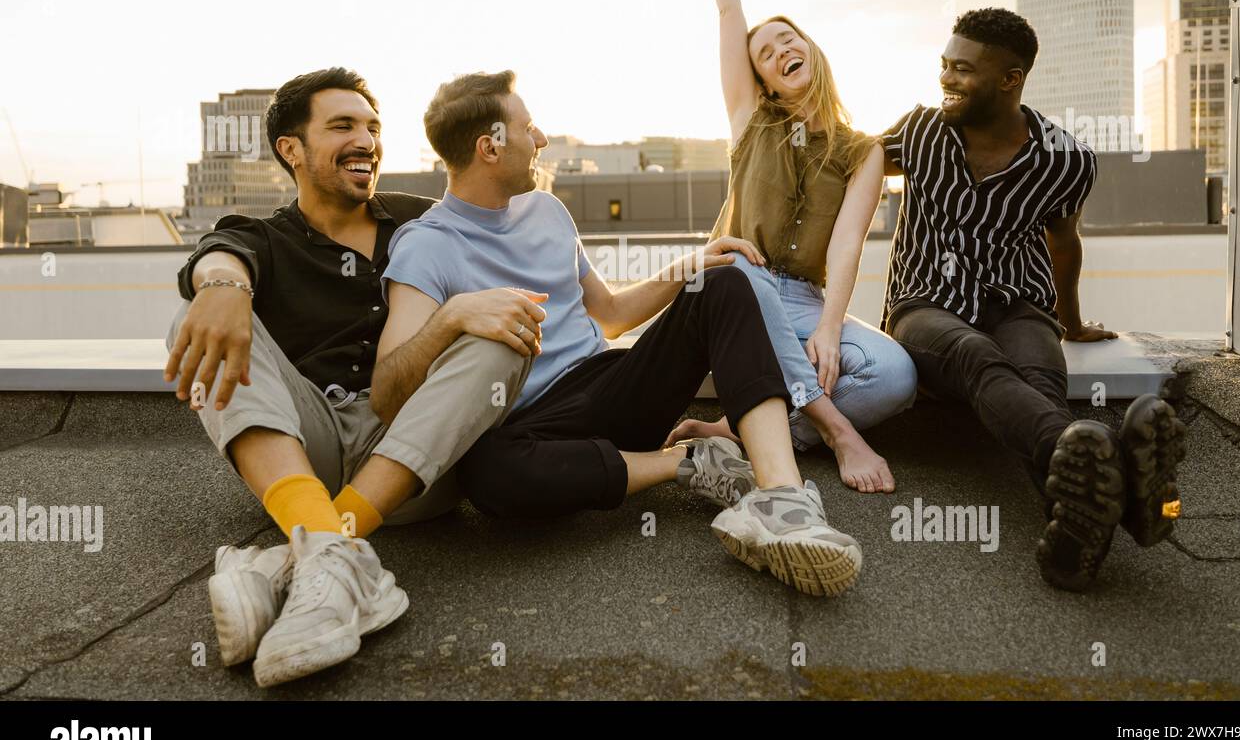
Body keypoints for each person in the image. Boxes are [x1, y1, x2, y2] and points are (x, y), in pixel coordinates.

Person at [375, 70, 864, 597]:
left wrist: (690, 266)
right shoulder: (425, 245)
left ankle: (783, 499)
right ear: (489, 147)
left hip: (610, 386)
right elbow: (387, 392)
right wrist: (450, 318)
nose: (540, 139)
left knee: (723, 283)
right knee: (488, 478)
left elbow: (608, 314)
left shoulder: (547, 209)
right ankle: (686, 463)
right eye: (528, 128)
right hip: (531, 428)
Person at [165, 67, 546, 685]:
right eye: (342, 126)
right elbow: (219, 253)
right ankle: (332, 555)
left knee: (503, 332)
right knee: (196, 314)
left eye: (373, 127)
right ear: (291, 148)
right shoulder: (259, 236)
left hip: (418, 456)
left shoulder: (425, 222)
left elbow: (533, 255)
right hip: (305, 444)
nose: (366, 139)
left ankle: (297, 557)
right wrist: (223, 284)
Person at [878, 8, 1186, 591]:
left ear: (1009, 78)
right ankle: (1132, 489)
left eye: (962, 70)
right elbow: (841, 174)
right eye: (944, 64)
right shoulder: (918, 132)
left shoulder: (1065, 159)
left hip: (1020, 301)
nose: (946, 78)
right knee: (976, 357)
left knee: (1039, 380)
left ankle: (1074, 544)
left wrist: (1069, 324)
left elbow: (1064, 245)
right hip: (924, 305)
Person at [664, 0, 917, 496]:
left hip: (803, 298)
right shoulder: (751, 122)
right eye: (765, 56)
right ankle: (835, 432)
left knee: (895, 374)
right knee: (743, 274)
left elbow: (846, 246)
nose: (778, 53)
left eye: (787, 41)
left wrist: (829, 326)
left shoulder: (863, 151)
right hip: (733, 289)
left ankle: (739, 431)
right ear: (765, 84)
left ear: (810, 49)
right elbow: (729, 11)